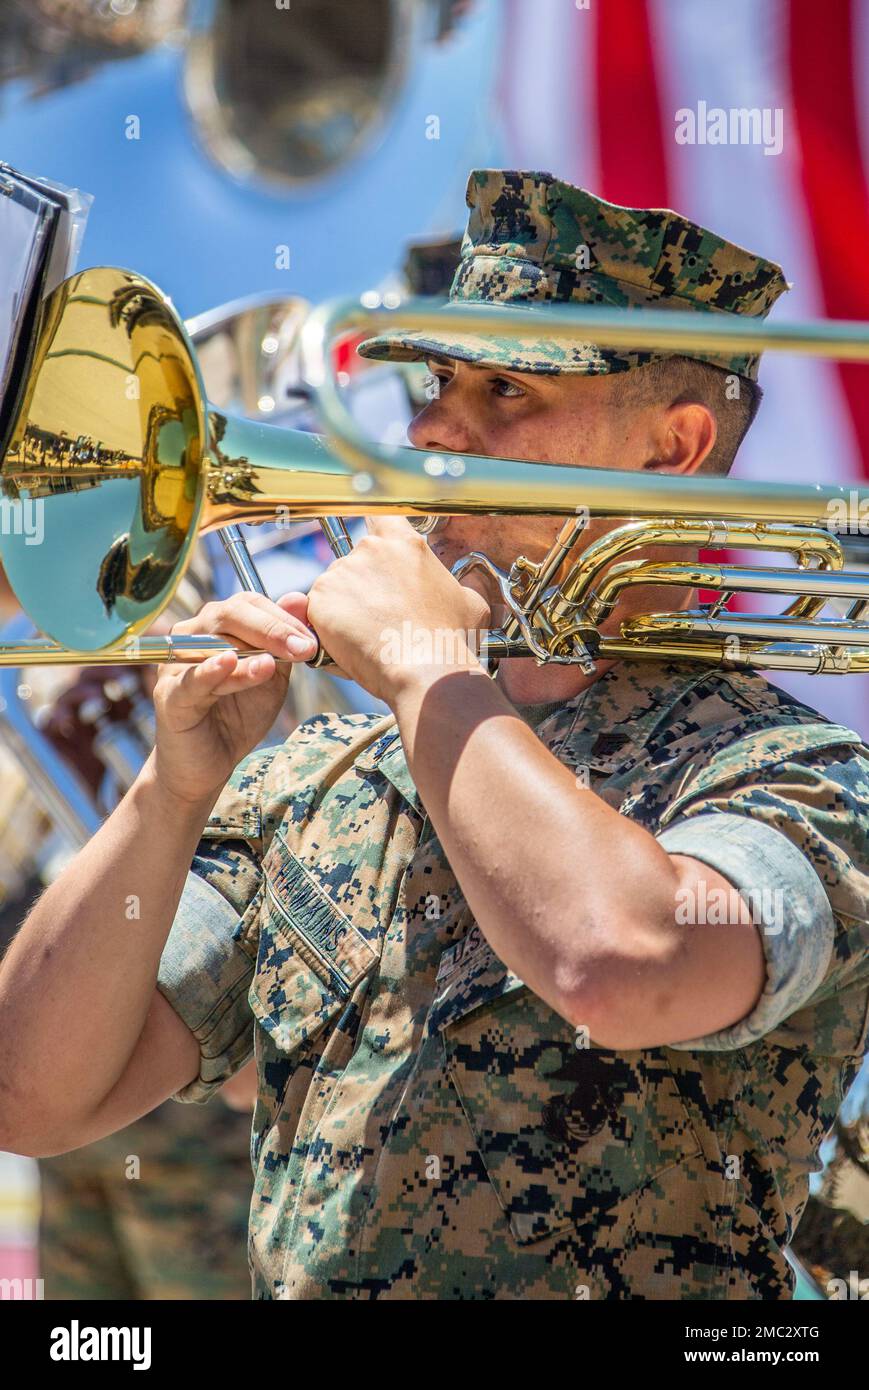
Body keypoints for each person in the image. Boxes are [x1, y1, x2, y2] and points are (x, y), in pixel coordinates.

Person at [1, 170, 867, 1300]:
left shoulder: (791, 772)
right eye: (437, 381)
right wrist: (169, 793)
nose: (427, 430)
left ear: (673, 446)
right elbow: (34, 1093)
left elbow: (623, 964)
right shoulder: (316, 781)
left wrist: (426, 670)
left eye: (504, 388)